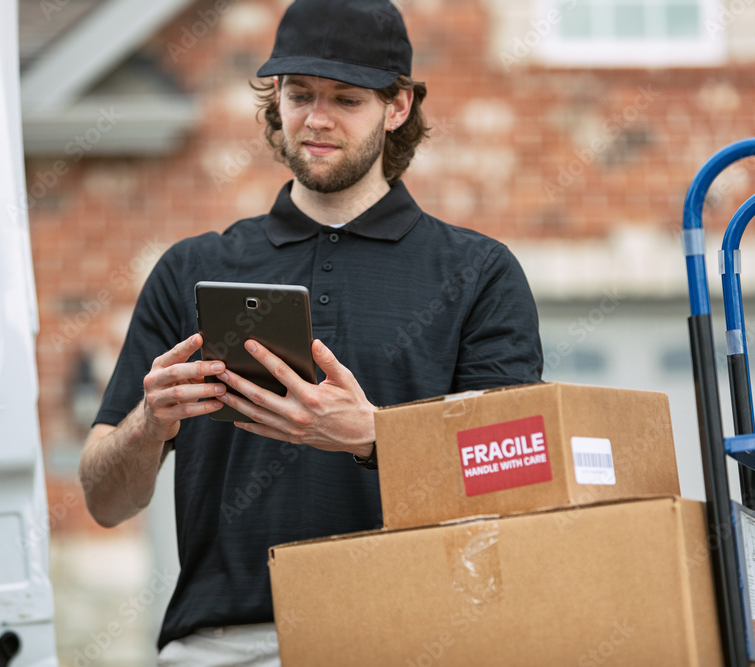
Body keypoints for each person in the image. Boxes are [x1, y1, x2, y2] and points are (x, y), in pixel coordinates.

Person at [79, 0, 543, 664]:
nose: (316, 119)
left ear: (399, 106)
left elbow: (516, 480)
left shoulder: (477, 273)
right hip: (217, 646)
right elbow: (104, 500)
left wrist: (374, 436)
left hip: (408, 639)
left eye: (346, 99)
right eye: (299, 94)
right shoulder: (194, 269)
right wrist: (149, 423)